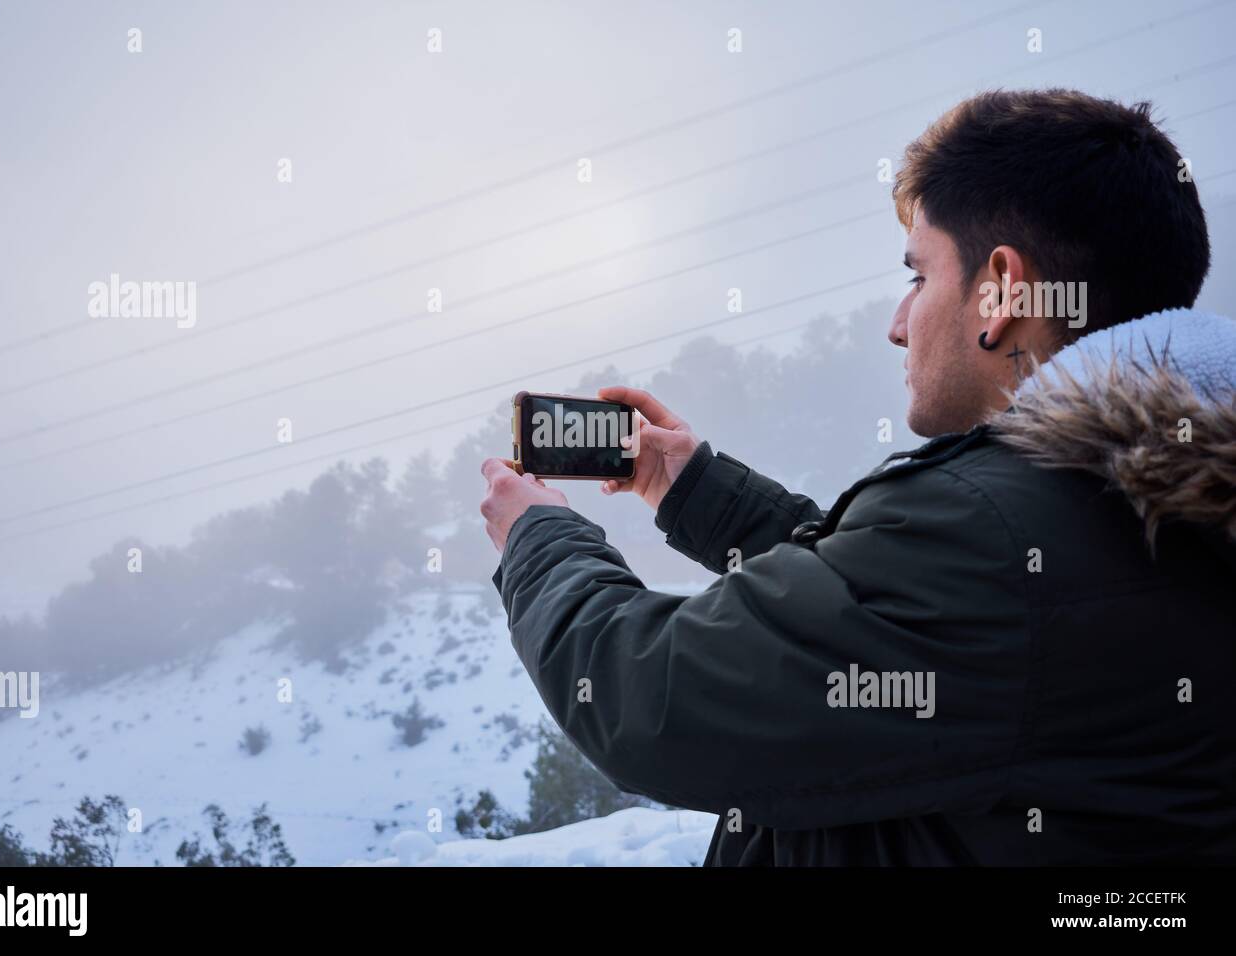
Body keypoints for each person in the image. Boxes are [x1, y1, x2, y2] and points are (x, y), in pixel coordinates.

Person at [479, 89, 1236, 865]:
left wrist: (536, 537)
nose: (898, 324)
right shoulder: (1153, 495)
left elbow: (646, 698)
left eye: (918, 276)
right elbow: (897, 614)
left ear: (1003, 290)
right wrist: (691, 487)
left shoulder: (998, 534)